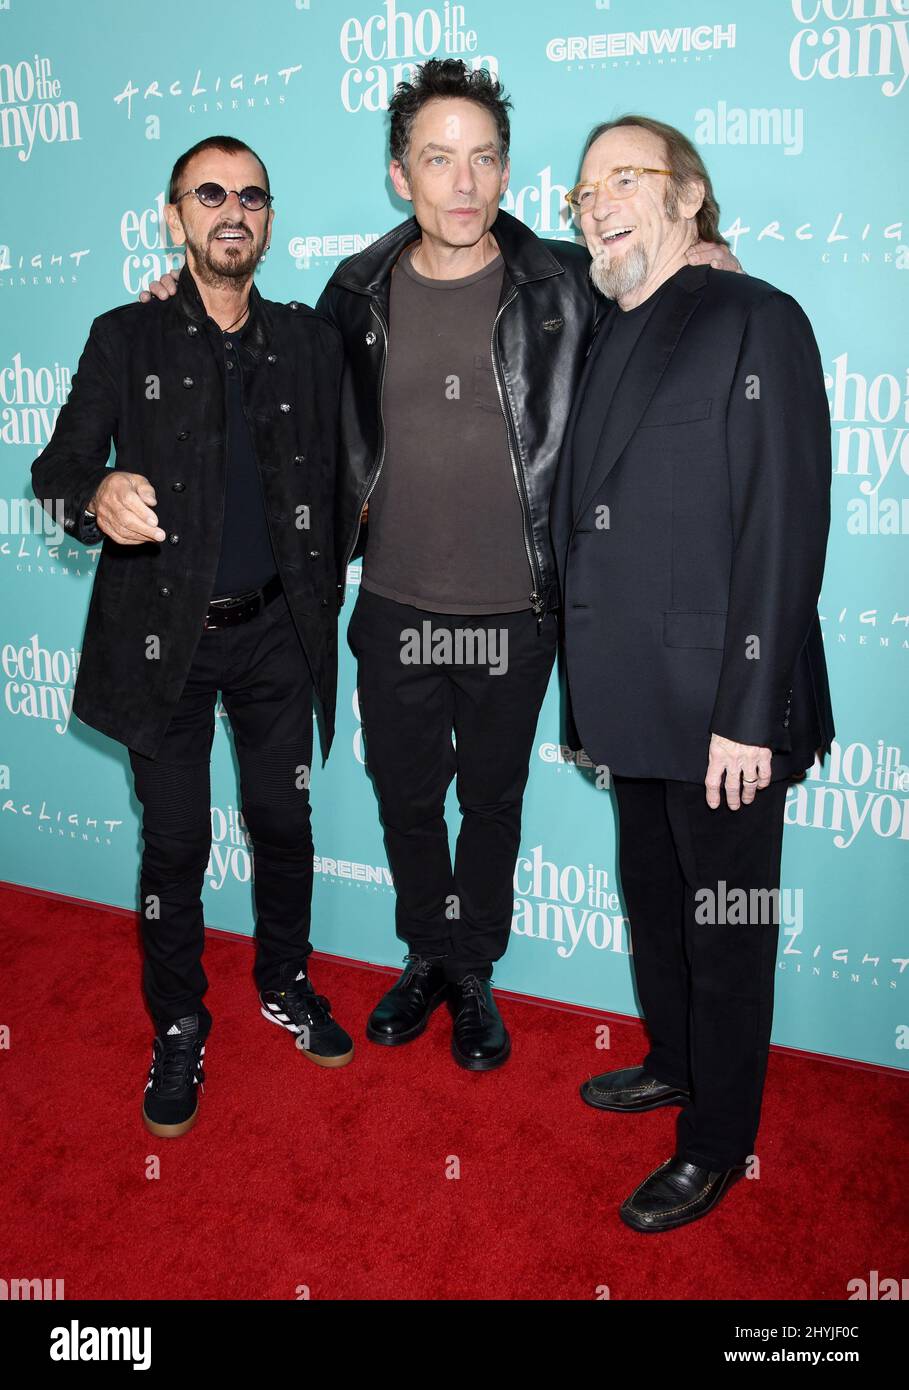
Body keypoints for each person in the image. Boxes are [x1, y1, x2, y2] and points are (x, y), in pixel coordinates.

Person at [141, 64, 739, 1074]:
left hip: (520, 613)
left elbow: (658, 289)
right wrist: (175, 300)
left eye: (485, 158)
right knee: (410, 802)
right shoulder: (352, 296)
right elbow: (255, 348)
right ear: (398, 173)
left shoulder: (567, 284)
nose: (464, 183)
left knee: (493, 806)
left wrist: (706, 259)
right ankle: (428, 951)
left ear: (505, 170)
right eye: (438, 158)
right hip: (396, 609)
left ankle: (473, 971)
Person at [31, 135, 350, 1140]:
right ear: (173, 217)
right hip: (160, 641)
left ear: (269, 219)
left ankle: (285, 980)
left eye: (253, 194)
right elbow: (58, 466)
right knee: (174, 845)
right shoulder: (123, 337)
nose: (233, 209)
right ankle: (177, 1021)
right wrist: (96, 493)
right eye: (209, 193)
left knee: (284, 824)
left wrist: (696, 246)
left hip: (274, 637)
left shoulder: (305, 341)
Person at [550, 115, 834, 1231]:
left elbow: (783, 531)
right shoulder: (608, 320)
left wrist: (748, 718)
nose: (600, 201)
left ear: (690, 196)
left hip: (726, 716)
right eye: (584, 191)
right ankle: (674, 1062)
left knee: (728, 925)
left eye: (627, 177)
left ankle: (718, 1141)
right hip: (630, 704)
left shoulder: (757, 316)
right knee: (657, 906)